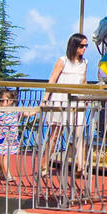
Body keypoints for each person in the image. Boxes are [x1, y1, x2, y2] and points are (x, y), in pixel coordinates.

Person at [41, 34, 90, 178]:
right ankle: (44, 163)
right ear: (74, 46)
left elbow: (84, 81)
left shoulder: (84, 63)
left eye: (86, 46)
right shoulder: (63, 61)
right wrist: (45, 99)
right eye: (81, 46)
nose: (84, 49)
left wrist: (85, 96)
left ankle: (81, 166)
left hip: (77, 100)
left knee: (79, 133)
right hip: (61, 100)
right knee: (56, 133)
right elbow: (52, 80)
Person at [0, 88, 20, 183]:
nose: (2, 102)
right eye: (1, 100)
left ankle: (0, 172)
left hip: (11, 138)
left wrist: (39, 109)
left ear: (11, 101)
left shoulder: (15, 112)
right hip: (2, 138)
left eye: (4, 100)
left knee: (7, 155)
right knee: (5, 155)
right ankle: (8, 176)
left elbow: (27, 113)